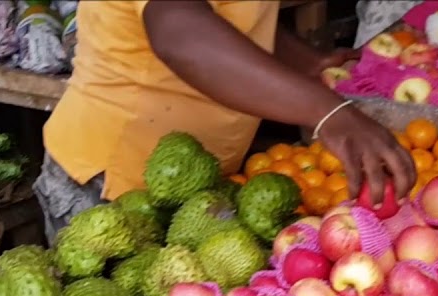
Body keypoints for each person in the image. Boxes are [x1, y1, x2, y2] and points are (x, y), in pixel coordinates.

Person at [37, 0, 416, 237]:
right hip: (110, 186)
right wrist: (327, 112)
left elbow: (233, 17)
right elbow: (180, 33)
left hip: (193, 188)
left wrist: (307, 63)